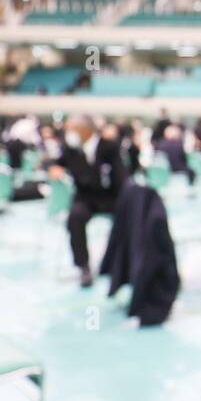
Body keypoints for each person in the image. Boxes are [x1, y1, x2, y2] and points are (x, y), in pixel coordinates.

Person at [52, 116, 127, 287]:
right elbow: (56, 162)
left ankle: (118, 261)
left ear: (85, 130)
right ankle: (83, 266)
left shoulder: (109, 147)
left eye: (72, 129)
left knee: (127, 215)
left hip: (110, 197)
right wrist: (53, 167)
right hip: (86, 198)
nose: (68, 133)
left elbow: (121, 177)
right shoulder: (70, 149)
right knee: (75, 217)